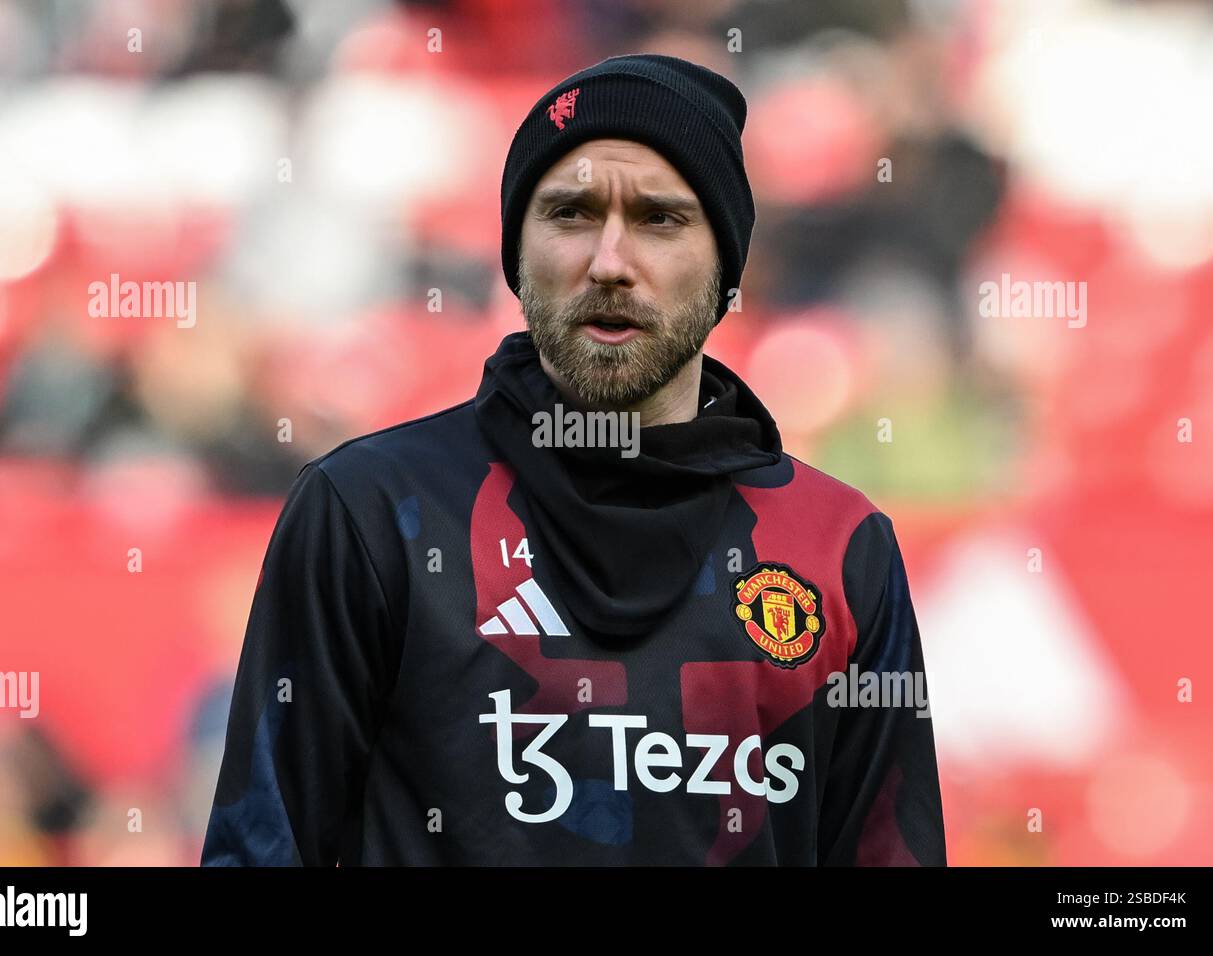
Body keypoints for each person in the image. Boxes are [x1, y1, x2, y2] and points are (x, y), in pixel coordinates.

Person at [202, 53, 946, 866]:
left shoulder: (836, 548)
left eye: (660, 218)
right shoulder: (372, 513)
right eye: (570, 213)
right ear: (515, 255)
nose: (610, 263)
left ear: (728, 266)